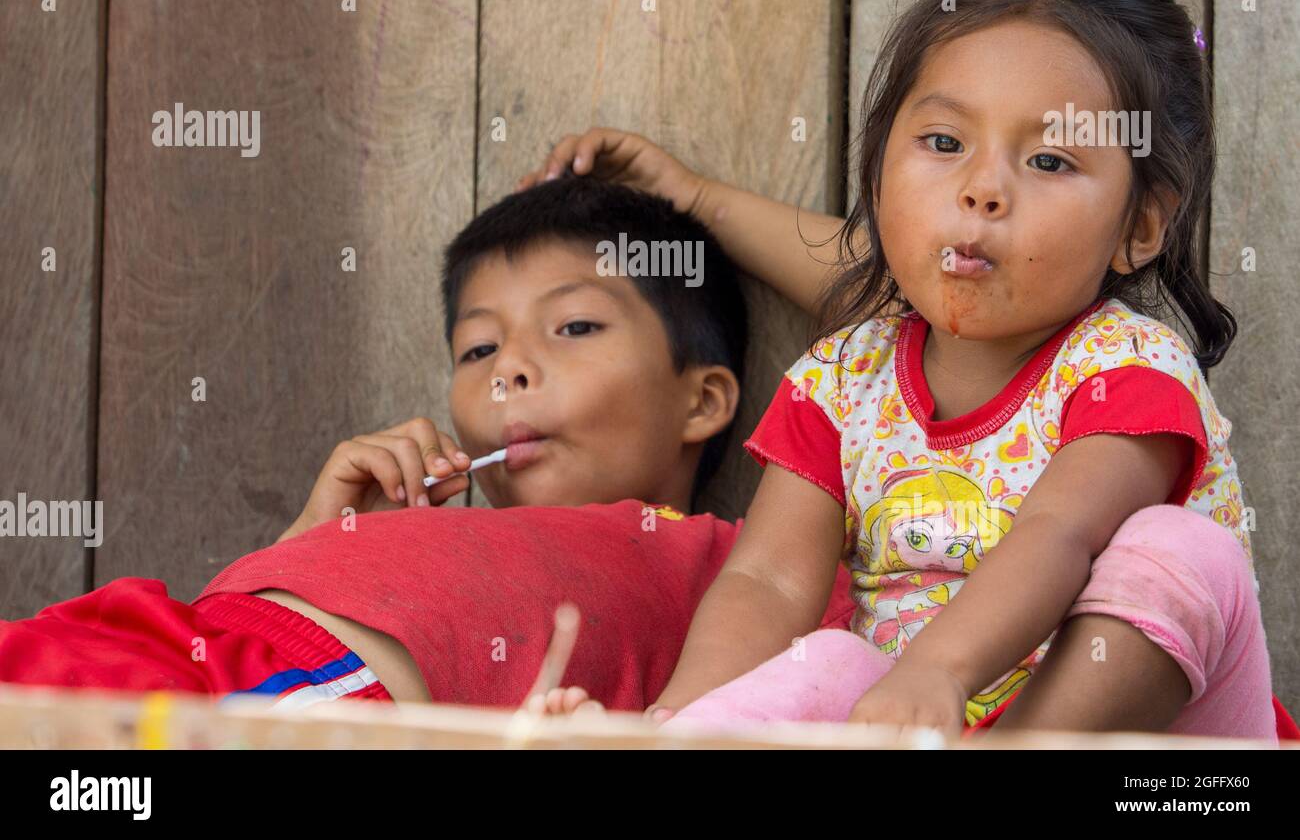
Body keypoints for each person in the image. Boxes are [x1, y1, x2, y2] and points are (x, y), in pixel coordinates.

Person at [547, 0, 1299, 742]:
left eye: (1049, 159)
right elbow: (767, 581)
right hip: (925, 732)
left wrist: (939, 668)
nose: (980, 188)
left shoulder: (1128, 369)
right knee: (834, 663)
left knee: (1184, 549)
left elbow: (1060, 530)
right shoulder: (843, 382)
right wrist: (675, 719)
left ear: (1141, 225)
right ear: (876, 175)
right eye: (943, 144)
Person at [0, 171, 858, 712]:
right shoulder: (422, 519)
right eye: (478, 347)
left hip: (292, 703)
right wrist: (315, 535)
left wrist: (699, 200)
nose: (507, 370)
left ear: (702, 399)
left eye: (575, 325)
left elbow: (929, 298)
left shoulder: (746, 570)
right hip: (162, 631)